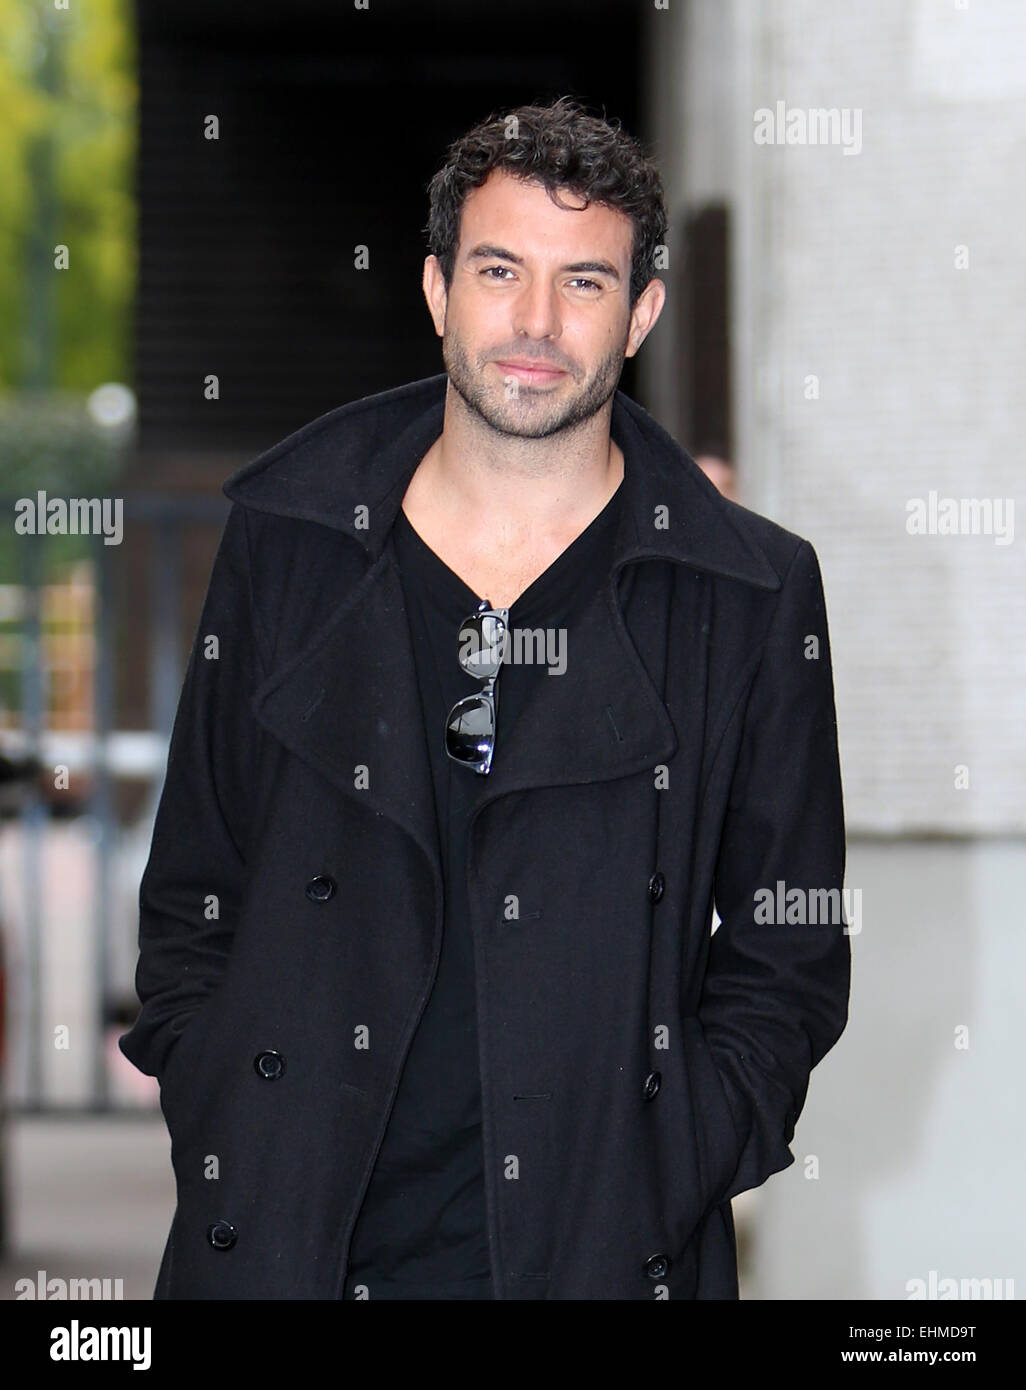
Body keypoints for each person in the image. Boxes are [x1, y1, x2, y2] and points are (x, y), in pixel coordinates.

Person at [119, 96, 850, 1301]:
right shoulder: (289, 547)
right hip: (297, 1236)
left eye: (585, 283)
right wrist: (228, 1114)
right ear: (436, 289)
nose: (534, 323)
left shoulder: (750, 590)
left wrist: (676, 1156)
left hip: (596, 1249)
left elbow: (789, 944)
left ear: (642, 313)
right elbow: (197, 881)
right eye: (500, 268)